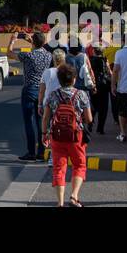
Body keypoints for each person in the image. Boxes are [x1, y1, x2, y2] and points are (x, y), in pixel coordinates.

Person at [41, 62, 93, 207]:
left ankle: (60, 202)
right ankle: (74, 196)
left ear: (59, 79)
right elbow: (89, 118)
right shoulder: (81, 94)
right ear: (74, 79)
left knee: (59, 168)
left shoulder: (52, 95)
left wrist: (44, 133)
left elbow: (46, 117)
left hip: (56, 137)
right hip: (76, 136)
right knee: (79, 165)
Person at [18, 31, 53, 162]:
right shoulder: (48, 56)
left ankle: (31, 152)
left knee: (28, 122)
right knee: (41, 122)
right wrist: (32, 41)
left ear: (33, 42)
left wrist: (12, 41)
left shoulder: (28, 56)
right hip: (42, 90)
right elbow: (42, 46)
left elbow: (9, 53)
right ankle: (41, 151)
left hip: (29, 90)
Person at [86, 44, 113, 135]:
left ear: (94, 51)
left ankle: (90, 123)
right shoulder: (105, 60)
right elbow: (109, 72)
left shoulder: (90, 60)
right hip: (104, 85)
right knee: (103, 107)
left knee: (93, 106)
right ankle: (100, 127)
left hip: (94, 85)